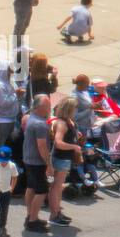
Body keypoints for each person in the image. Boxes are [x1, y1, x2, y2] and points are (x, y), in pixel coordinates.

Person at [21, 94, 53, 232]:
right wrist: (49, 165)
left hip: (28, 159)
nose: (50, 109)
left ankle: (30, 215)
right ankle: (33, 221)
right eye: (48, 107)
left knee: (31, 188)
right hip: (37, 162)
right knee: (41, 191)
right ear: (41, 108)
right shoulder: (40, 124)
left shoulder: (31, 118)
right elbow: (42, 146)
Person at [48, 96, 80, 226]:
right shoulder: (61, 123)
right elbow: (59, 143)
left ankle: (56, 212)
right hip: (61, 158)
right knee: (56, 188)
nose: (77, 110)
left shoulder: (68, 121)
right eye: (75, 108)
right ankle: (54, 215)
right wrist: (74, 146)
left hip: (65, 158)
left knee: (58, 187)